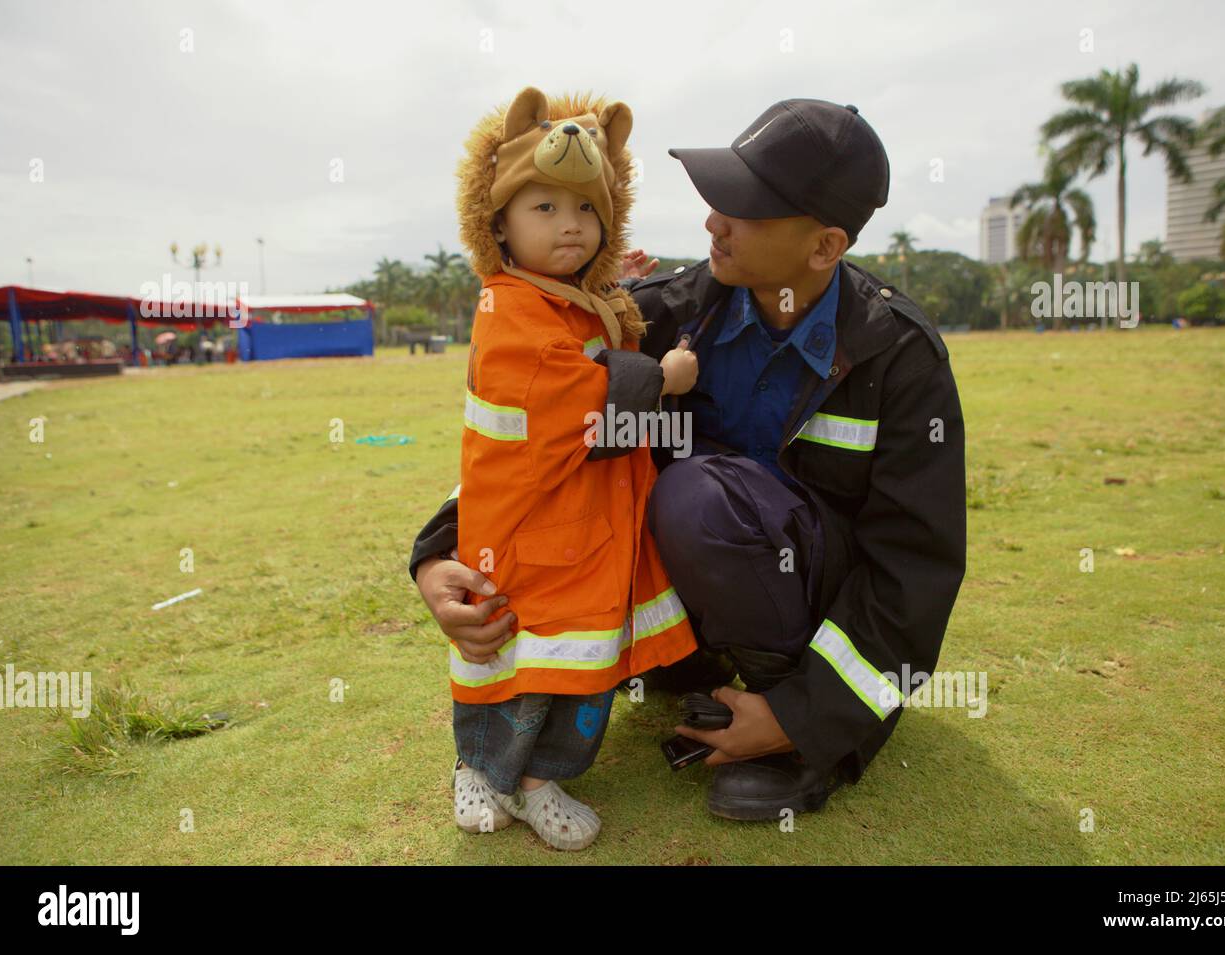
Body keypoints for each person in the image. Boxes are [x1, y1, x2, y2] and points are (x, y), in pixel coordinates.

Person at [412, 97, 967, 822]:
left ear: (825, 247)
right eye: (717, 196)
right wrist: (436, 555)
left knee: (698, 496)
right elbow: (535, 437)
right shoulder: (654, 317)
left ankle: (777, 733)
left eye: (743, 207)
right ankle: (681, 675)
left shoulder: (898, 358)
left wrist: (802, 716)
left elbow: (914, 572)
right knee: (672, 490)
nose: (713, 221)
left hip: (810, 614)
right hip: (675, 617)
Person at [436, 86, 701, 850]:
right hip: (521, 527)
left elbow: (600, 336)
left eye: (586, 211)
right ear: (498, 223)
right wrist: (663, 377)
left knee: (578, 663)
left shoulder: (580, 300)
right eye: (544, 208)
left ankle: (536, 778)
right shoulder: (508, 307)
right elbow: (570, 394)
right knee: (513, 659)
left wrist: (614, 296)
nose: (569, 226)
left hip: (588, 527)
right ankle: (477, 768)